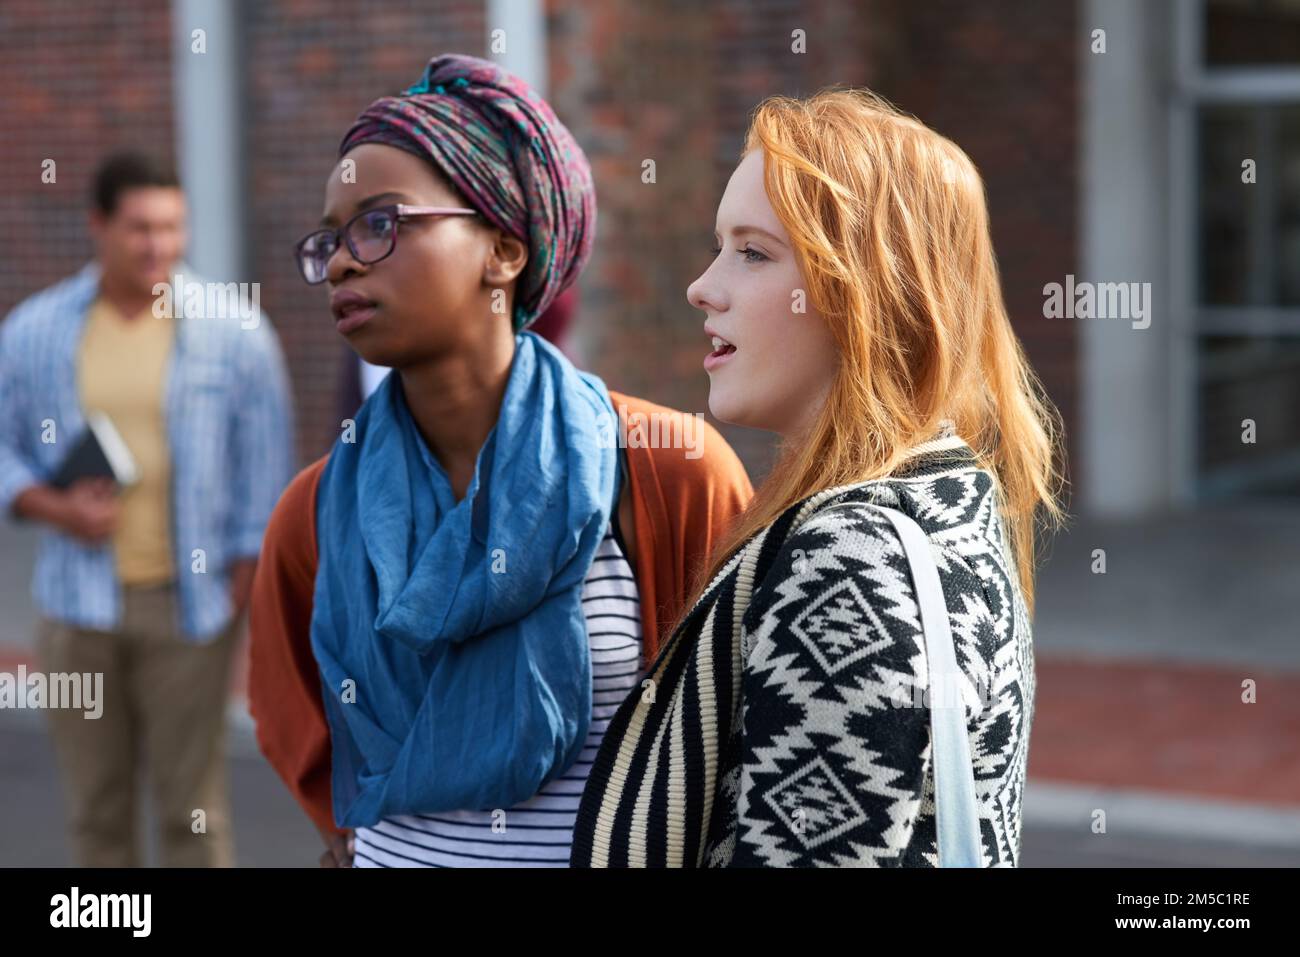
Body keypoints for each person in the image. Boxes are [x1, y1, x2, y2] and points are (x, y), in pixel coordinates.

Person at [247, 54, 753, 868]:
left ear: (504, 251)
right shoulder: (312, 514)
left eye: (380, 223)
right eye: (332, 239)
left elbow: (738, 732)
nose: (341, 260)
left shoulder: (667, 471)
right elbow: (297, 725)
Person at [571, 88, 1067, 867]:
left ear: (866, 291)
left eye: (753, 252)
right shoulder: (950, 491)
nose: (704, 286)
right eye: (718, 245)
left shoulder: (851, 555)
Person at [0, 151, 295, 866]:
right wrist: (53, 505)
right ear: (98, 225)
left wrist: (246, 574)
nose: (158, 245)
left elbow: (267, 464)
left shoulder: (234, 331)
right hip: (78, 607)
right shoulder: (36, 331)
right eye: (139, 228)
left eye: (172, 226)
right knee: (97, 810)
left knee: (191, 810)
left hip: (189, 609)